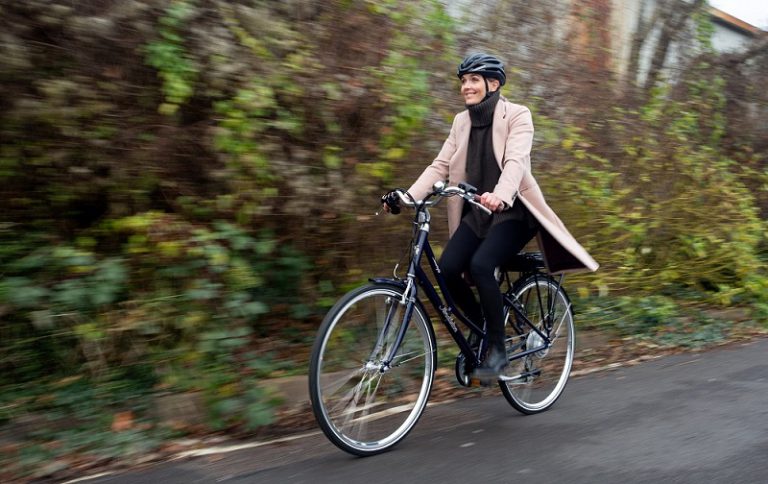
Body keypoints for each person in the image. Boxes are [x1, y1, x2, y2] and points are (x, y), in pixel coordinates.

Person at [383, 53, 598, 382]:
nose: (466, 87)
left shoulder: (517, 116)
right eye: (463, 81)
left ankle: (498, 351)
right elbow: (440, 165)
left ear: (492, 84)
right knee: (449, 269)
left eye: (473, 80)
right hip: (478, 212)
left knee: (482, 264)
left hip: (513, 211)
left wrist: (500, 193)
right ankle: (482, 324)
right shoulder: (461, 122)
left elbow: (515, 160)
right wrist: (408, 196)